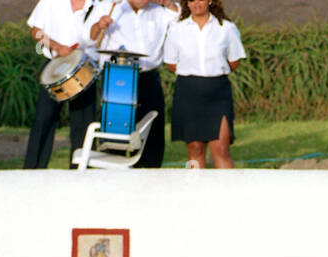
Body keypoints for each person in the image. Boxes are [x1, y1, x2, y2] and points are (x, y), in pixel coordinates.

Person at [86, 0, 176, 168]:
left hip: (148, 77)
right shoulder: (109, 6)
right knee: (114, 133)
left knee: (152, 133)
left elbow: (180, 20)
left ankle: (148, 178)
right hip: (117, 79)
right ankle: (110, 177)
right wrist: (99, 26)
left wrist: (168, 2)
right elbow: (89, 37)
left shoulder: (159, 11)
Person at [164, 0, 243, 170]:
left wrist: (212, 71)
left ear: (210, 1)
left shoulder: (227, 28)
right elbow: (170, 63)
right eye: (191, 0)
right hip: (188, 93)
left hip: (218, 93)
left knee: (221, 148)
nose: (196, 3)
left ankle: (228, 194)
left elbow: (234, 61)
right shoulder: (176, 29)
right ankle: (195, 194)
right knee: (195, 149)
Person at [23, 0, 101, 169]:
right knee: (43, 120)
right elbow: (36, 31)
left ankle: (81, 174)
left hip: (85, 68)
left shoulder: (99, 5)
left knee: (83, 125)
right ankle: (31, 171)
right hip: (54, 65)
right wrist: (57, 47)